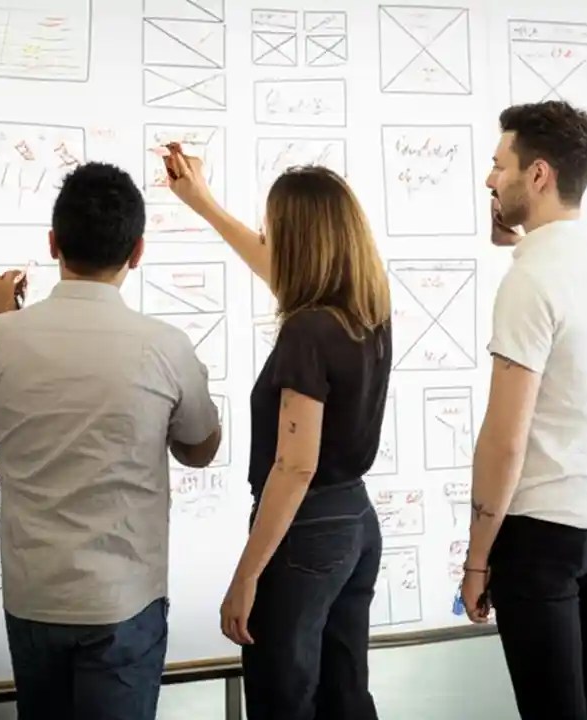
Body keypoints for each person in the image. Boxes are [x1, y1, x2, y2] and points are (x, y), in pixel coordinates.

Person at [0, 161, 223, 720]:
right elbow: (201, 447)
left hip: (34, 596)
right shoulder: (165, 345)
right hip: (124, 599)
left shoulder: (0, 335)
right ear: (138, 251)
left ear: (53, 243)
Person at [162, 144, 391, 720]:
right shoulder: (367, 310)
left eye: (276, 230)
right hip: (355, 523)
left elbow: (295, 466)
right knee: (345, 693)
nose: (270, 239)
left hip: (306, 527)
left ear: (300, 242)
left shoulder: (308, 331)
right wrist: (204, 204)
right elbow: (273, 266)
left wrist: (245, 577)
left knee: (281, 697)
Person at [460, 100, 587, 720]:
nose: (490, 180)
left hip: (542, 536)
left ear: (537, 175)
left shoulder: (531, 280)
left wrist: (477, 556)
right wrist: (521, 243)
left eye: (498, 166)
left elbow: (505, 440)